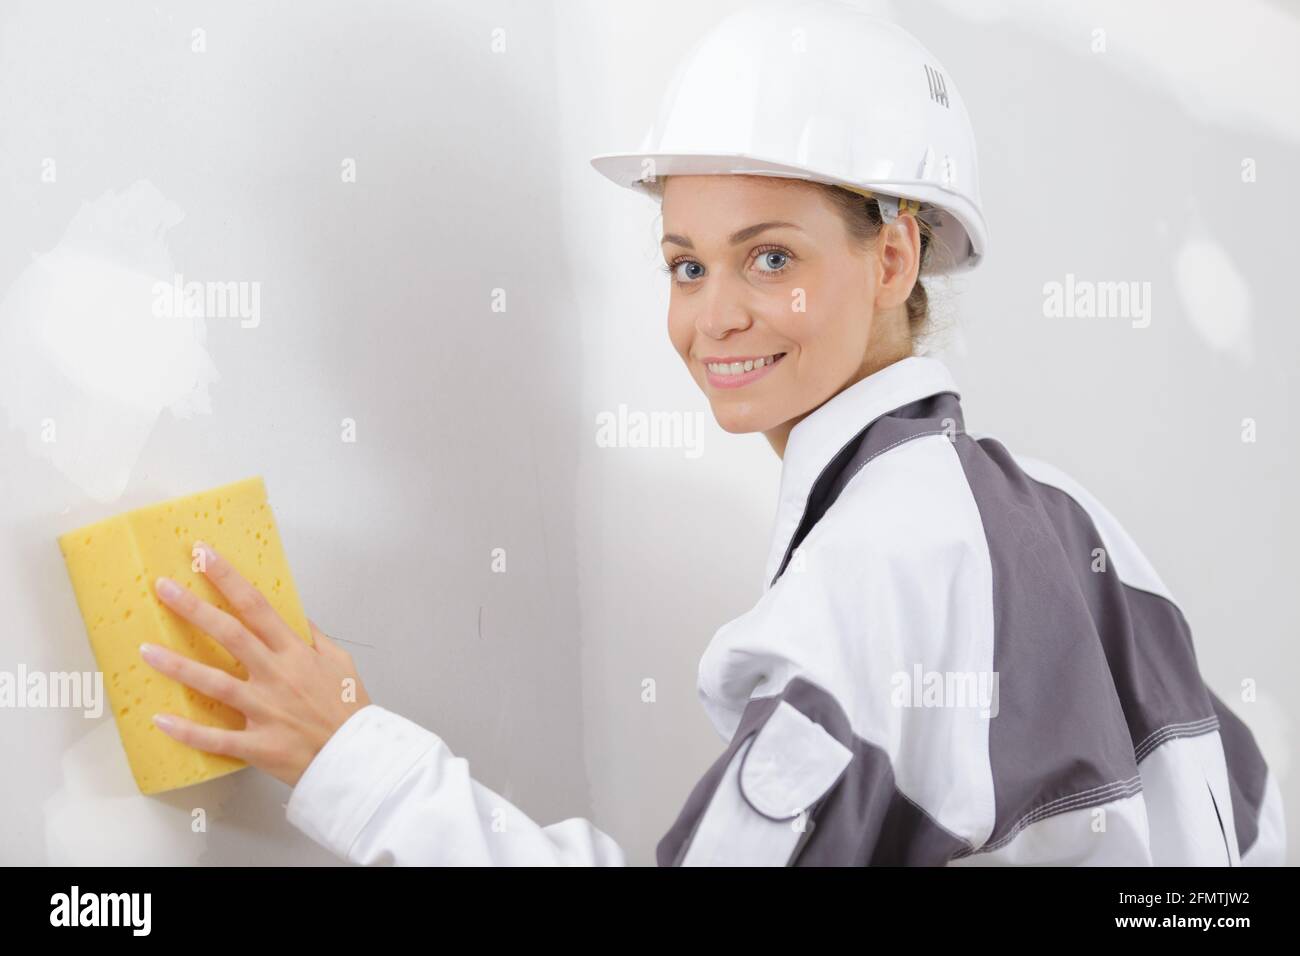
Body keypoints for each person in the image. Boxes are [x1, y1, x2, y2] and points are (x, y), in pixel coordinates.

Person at [140, 2, 1285, 866]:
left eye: (770, 255)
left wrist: (348, 760)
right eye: (686, 263)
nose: (713, 315)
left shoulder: (871, 578)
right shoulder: (1066, 518)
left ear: (892, 258)